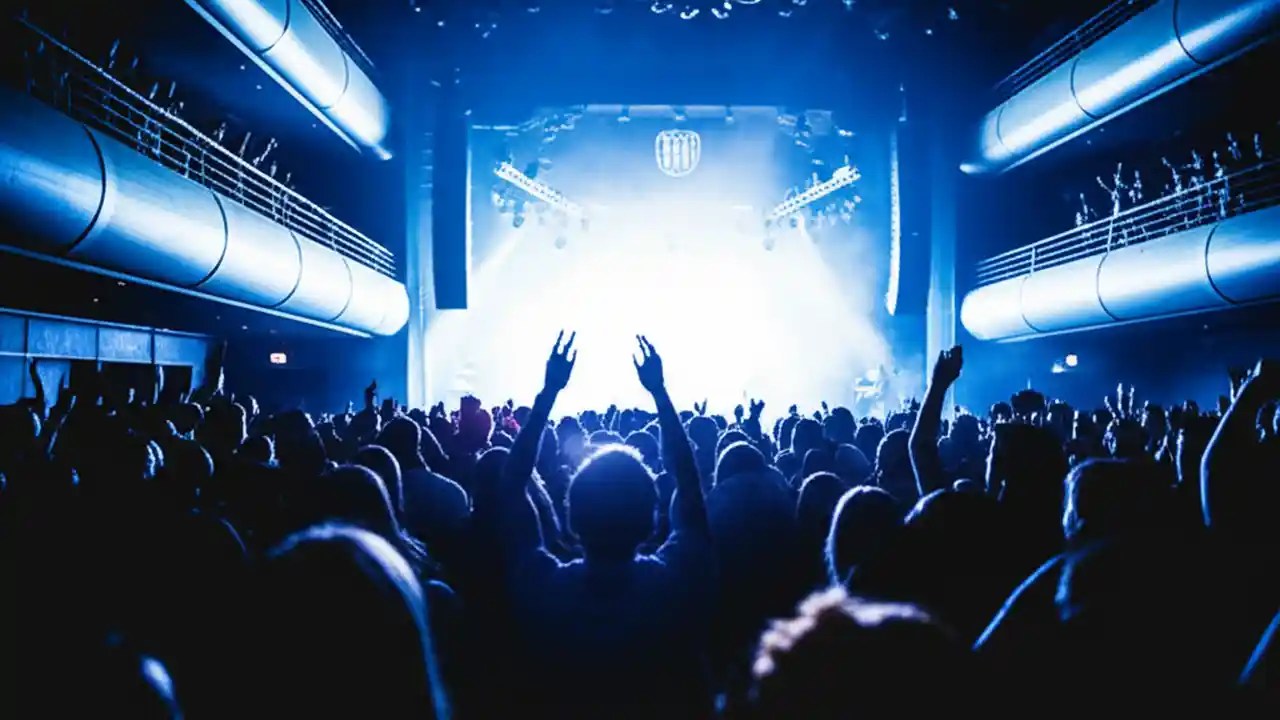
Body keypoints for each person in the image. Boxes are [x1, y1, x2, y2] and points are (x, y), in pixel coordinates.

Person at [495, 334, 714, 718]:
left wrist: (548, 393)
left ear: (573, 517)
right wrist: (659, 392)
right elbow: (689, 486)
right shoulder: (673, 583)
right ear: (651, 518)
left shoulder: (544, 588)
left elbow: (512, 488)